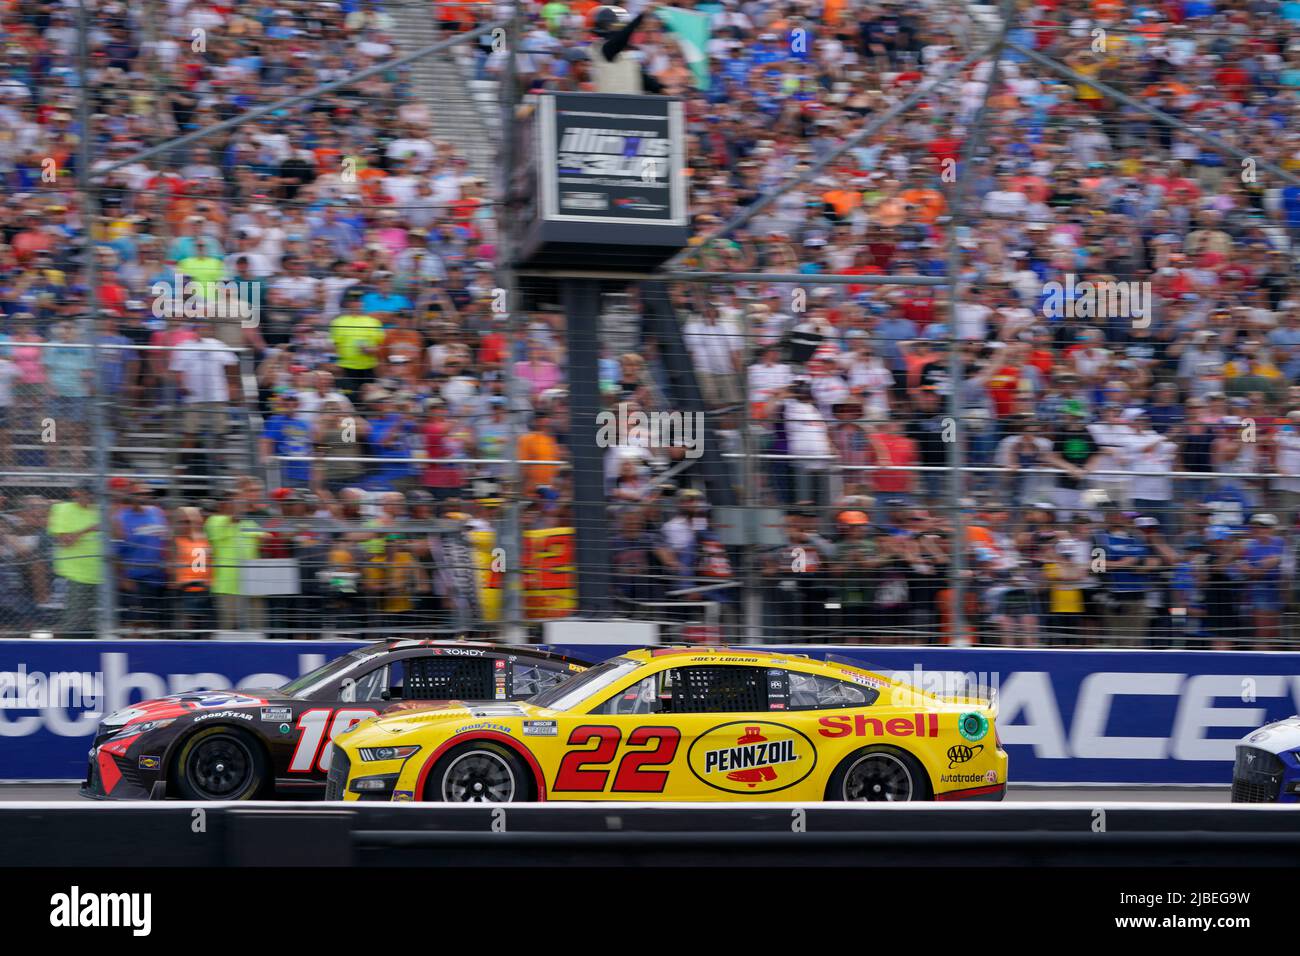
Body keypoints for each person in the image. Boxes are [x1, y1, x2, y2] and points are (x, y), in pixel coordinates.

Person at [47, 483, 102, 637]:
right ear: (76, 493)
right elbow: (65, 541)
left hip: (99, 575)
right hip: (74, 574)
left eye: (92, 495)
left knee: (95, 623)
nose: (90, 498)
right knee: (73, 621)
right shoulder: (62, 509)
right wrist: (88, 529)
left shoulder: (100, 510)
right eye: (86, 494)